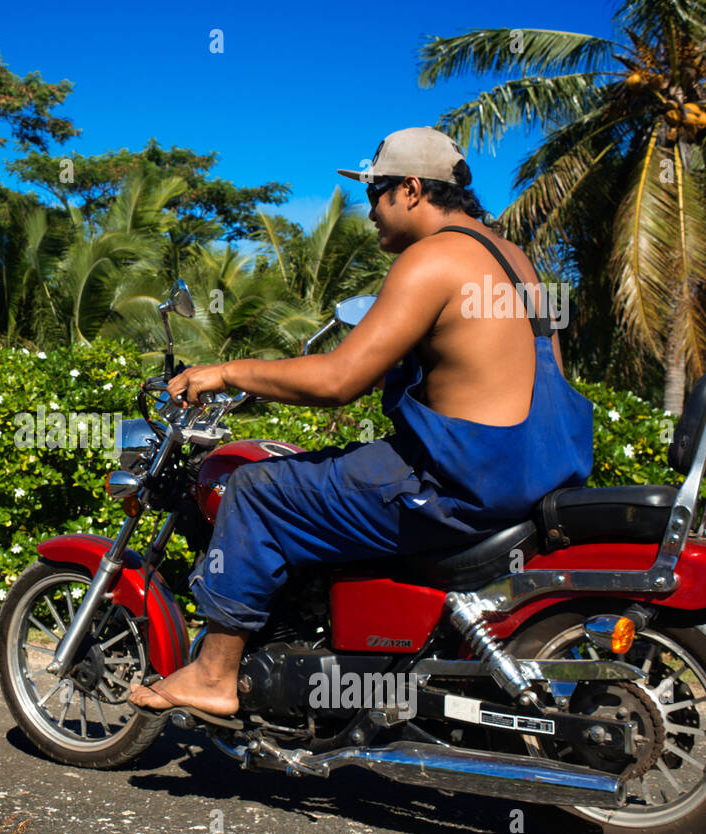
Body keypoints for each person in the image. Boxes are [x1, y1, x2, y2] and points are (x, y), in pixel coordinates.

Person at [129, 126, 593, 717]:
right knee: (343, 473)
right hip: (539, 471)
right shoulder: (514, 260)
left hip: (462, 481)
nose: (368, 209)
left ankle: (214, 673)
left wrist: (226, 372)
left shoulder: (432, 259)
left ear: (412, 190)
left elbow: (337, 381)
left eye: (374, 191)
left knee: (256, 489)